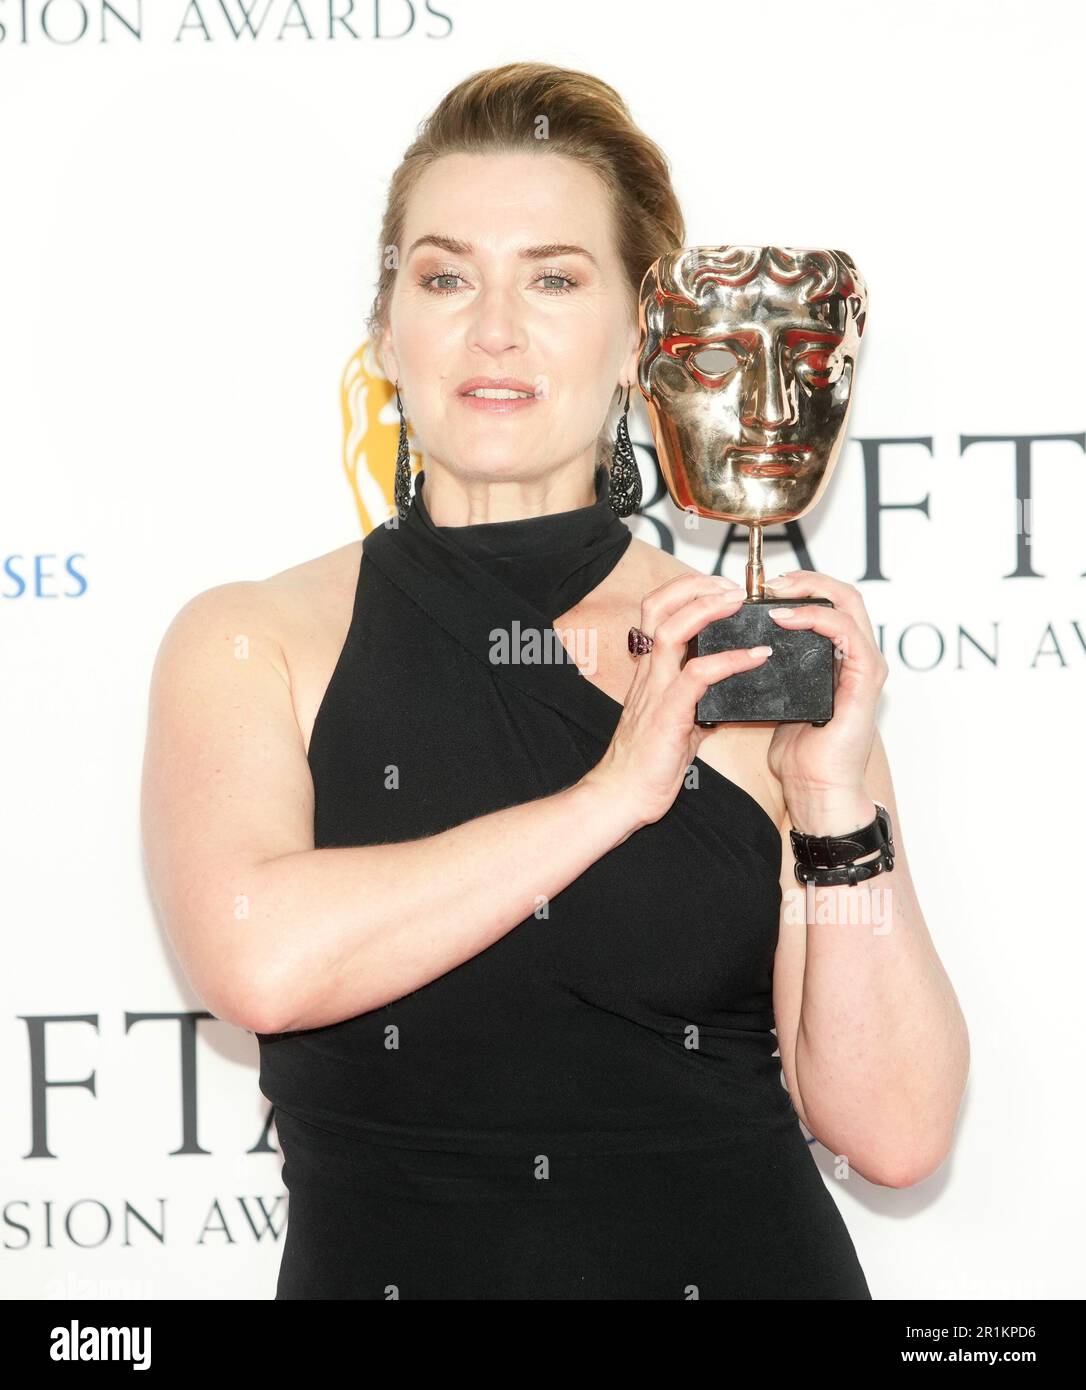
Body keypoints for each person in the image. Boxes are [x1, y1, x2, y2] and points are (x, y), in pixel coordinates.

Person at [140, 61, 969, 1300]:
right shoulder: (252, 639)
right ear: (385, 327)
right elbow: (259, 960)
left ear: (647, 339)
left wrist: (837, 810)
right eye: (445, 274)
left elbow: (896, 1131)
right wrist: (612, 795)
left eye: (555, 277)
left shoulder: (743, 651)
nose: (494, 327)